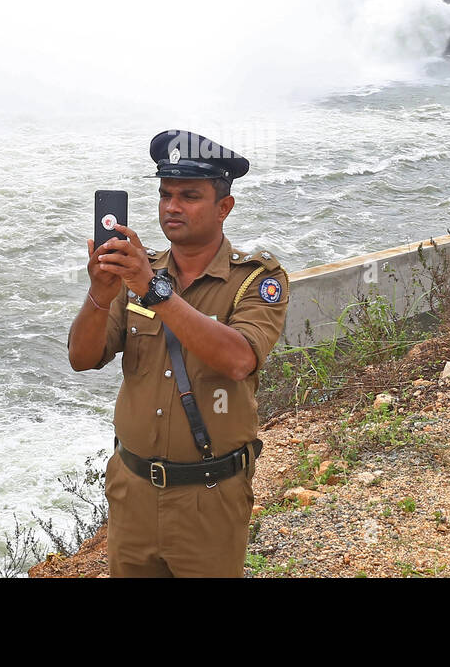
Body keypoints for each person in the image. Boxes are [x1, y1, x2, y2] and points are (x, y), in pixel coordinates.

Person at [67, 129, 290, 577]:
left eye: (189, 195)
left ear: (223, 207)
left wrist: (155, 292)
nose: (172, 206)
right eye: (166, 194)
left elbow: (239, 359)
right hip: (132, 493)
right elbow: (83, 357)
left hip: (209, 498)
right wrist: (98, 294)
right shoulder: (134, 276)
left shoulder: (256, 280)